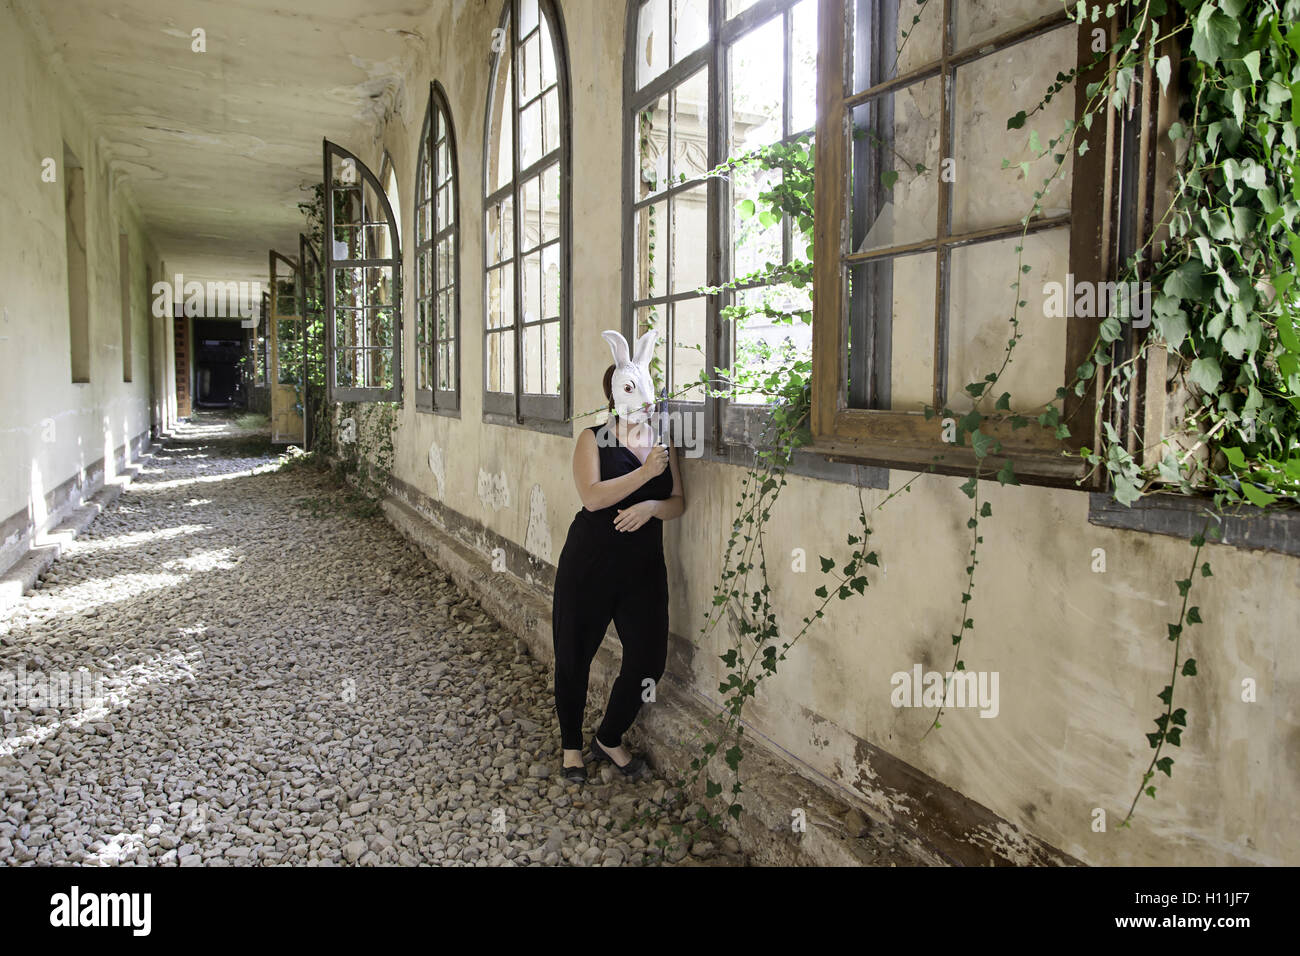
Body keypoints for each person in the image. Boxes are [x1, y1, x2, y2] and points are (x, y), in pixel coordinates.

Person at [550, 359, 685, 783]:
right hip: (590, 562)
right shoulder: (593, 439)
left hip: (642, 567)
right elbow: (591, 498)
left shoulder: (663, 442)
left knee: (648, 660)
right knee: (574, 654)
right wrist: (644, 474)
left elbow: (678, 501)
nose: (645, 400)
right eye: (632, 390)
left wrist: (651, 507)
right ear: (614, 396)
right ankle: (571, 745)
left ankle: (608, 737)